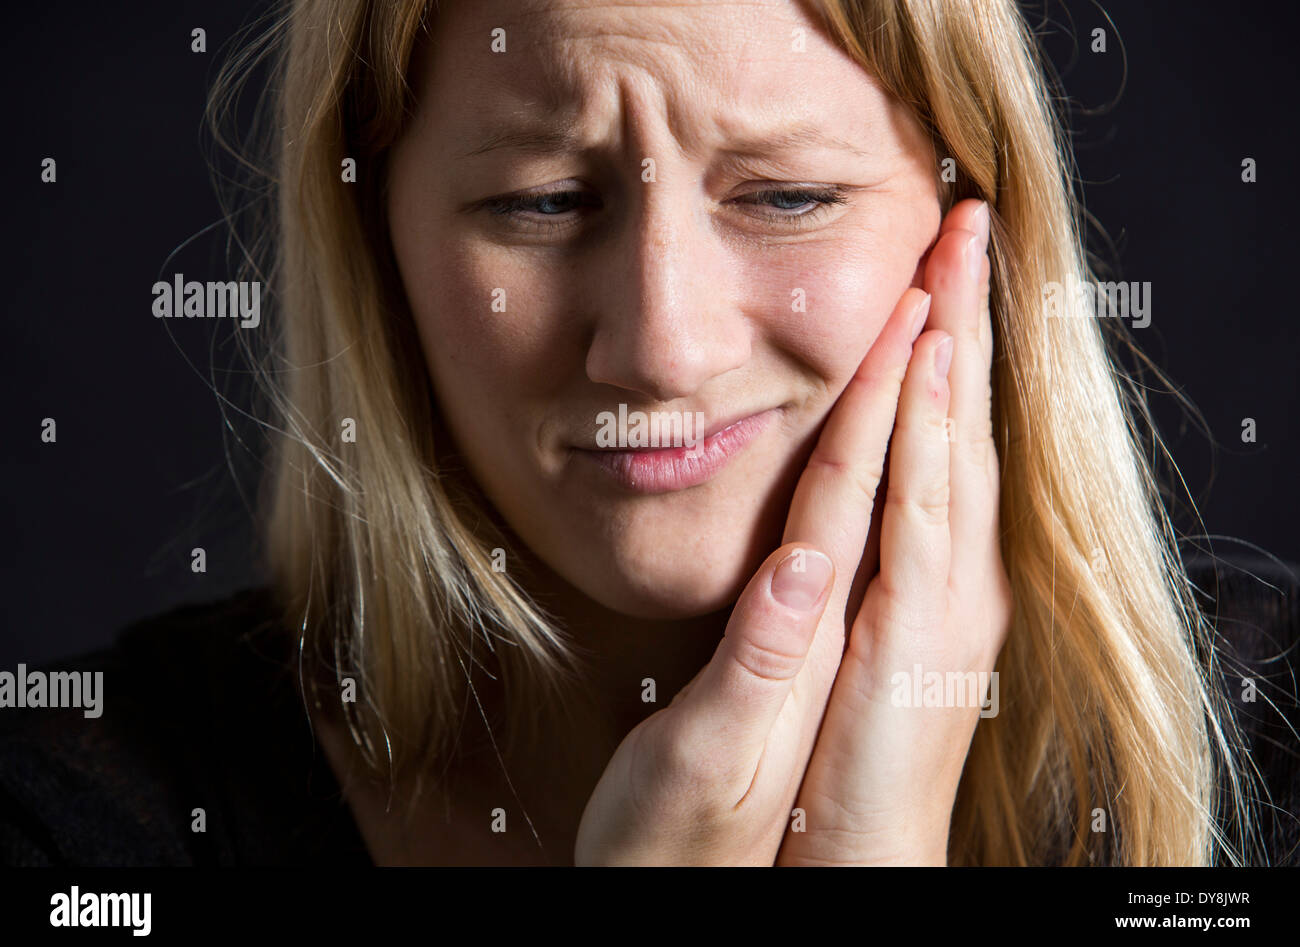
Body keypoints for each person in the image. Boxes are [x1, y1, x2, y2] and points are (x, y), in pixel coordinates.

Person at [3, 0, 1296, 866]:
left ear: (982, 229)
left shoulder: (1275, 738)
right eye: (542, 201)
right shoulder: (74, 828)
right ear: (375, 244)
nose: (662, 345)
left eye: (788, 196)